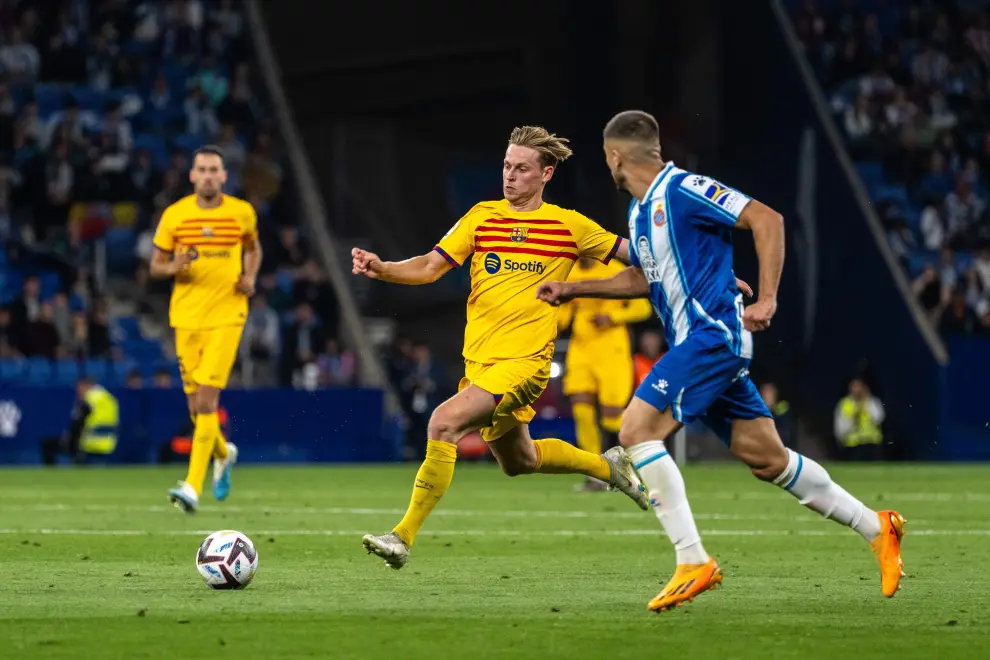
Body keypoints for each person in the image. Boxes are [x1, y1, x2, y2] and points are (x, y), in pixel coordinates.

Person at [537, 110, 904, 612]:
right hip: (698, 345)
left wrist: (768, 298)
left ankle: (692, 560)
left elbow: (766, 219)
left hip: (712, 338)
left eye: (607, 161)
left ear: (616, 156)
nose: (609, 170)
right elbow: (644, 279)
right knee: (768, 460)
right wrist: (574, 290)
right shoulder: (642, 213)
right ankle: (876, 527)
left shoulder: (684, 189)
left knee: (635, 431)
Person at [351, 125, 649, 569]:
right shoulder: (481, 217)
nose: (510, 176)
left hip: (526, 364)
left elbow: (641, 262)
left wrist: (707, 280)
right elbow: (431, 266)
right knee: (520, 461)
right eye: (507, 166)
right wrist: (384, 269)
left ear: (546, 174)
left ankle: (402, 537)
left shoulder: (570, 226)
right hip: (481, 363)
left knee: (443, 422)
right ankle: (608, 468)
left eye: (522, 169)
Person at [149, 145, 262, 513]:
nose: (209, 175)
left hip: (228, 314)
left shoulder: (241, 213)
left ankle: (192, 487)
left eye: (215, 169)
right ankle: (223, 453)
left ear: (224, 175)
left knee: (207, 402)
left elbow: (254, 249)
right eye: (202, 169)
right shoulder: (175, 215)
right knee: (198, 412)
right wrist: (174, 266)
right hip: (186, 317)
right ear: (192, 175)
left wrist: (250, 277)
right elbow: (155, 265)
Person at [557, 257, 653, 491]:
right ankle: (596, 474)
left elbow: (642, 307)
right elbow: (563, 314)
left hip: (612, 348)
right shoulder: (569, 273)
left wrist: (613, 317)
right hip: (581, 348)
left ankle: (632, 468)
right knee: (581, 411)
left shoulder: (615, 271)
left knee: (612, 415)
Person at [41, 377, 119, 465]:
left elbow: (78, 423)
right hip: (107, 443)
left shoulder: (90, 399)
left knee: (49, 445)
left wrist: (68, 437)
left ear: (86, 385)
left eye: (79, 388)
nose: (78, 392)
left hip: (89, 443)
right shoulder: (109, 399)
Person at [834, 377, 884, 461]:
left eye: (859, 386)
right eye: (854, 387)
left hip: (871, 444)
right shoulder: (844, 404)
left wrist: (866, 402)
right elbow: (840, 429)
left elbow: (879, 418)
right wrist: (853, 418)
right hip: (852, 446)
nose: (857, 390)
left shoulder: (872, 401)